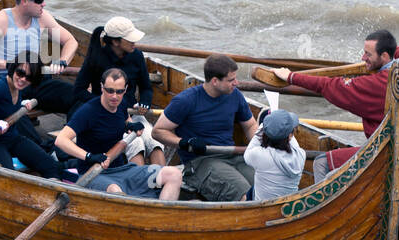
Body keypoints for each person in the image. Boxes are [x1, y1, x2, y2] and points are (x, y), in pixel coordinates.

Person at [269, 29, 399, 180]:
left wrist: (291, 77)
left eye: (368, 54)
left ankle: (328, 202)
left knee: (321, 163)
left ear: (385, 55)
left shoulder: (377, 83)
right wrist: (376, 56)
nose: (363, 58)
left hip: (390, 153)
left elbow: (328, 86)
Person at [55, 69, 183, 200]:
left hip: (124, 170)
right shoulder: (88, 111)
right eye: (110, 91)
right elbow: (61, 140)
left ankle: (160, 212)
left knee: (174, 174)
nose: (114, 96)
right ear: (102, 87)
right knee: (115, 191)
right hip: (95, 174)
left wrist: (130, 125)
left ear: (125, 89)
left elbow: (125, 120)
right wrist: (88, 156)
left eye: (119, 91)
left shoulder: (121, 104)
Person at [152, 54, 258, 202]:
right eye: (231, 80)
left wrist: (259, 144)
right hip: (201, 161)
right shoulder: (185, 100)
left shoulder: (235, 95)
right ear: (215, 81)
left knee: (264, 187)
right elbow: (158, 131)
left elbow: (250, 125)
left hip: (233, 156)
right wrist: (184, 142)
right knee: (245, 197)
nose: (236, 83)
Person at [0, 61, 60, 179]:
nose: (23, 79)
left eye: (29, 77)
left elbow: (5, 105)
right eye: (20, 73)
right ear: (13, 69)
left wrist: (22, 104)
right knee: (8, 177)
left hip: (11, 137)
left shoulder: (18, 87)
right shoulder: (1, 87)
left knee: (51, 166)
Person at [71, 16, 154, 117]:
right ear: (115, 42)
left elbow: (146, 88)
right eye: (130, 39)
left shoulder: (137, 56)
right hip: (100, 111)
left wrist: (145, 103)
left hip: (128, 112)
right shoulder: (96, 57)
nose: (134, 43)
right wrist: (101, 104)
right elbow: (79, 90)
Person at [244, 109, 307, 200]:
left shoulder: (259, 155)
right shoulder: (301, 155)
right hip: (288, 204)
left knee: (251, 191)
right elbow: (291, 139)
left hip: (263, 206)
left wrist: (262, 127)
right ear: (290, 135)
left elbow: (248, 152)